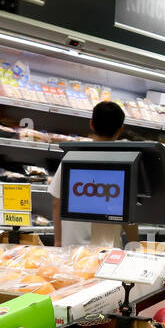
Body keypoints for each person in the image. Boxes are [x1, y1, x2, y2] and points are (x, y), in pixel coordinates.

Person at [50, 100, 125, 247]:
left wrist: (58, 241)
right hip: (108, 250)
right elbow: (129, 211)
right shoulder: (124, 162)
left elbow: (56, 203)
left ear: (91, 123)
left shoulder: (72, 157)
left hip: (72, 247)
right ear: (120, 130)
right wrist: (134, 243)